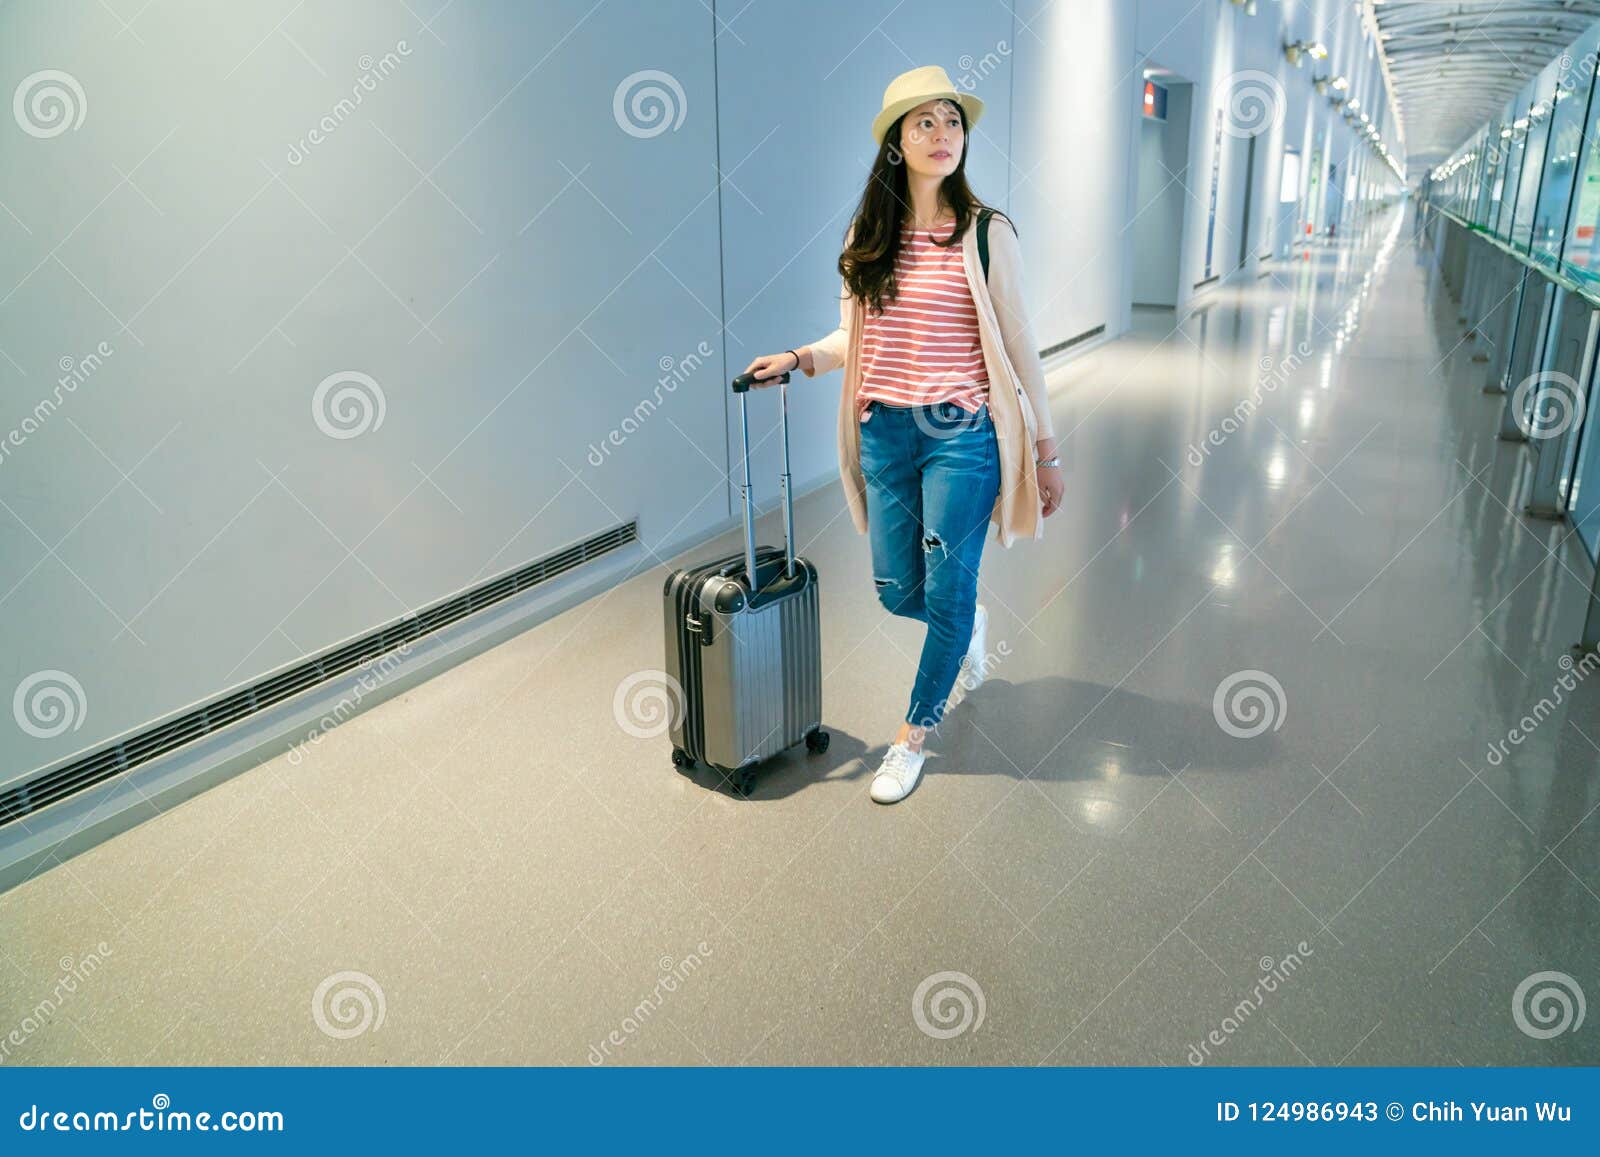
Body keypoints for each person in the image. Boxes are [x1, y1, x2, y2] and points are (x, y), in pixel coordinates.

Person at [742, 65, 1063, 804]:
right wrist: (799, 358)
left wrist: (1047, 450)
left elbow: (1021, 348)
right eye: (925, 122)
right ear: (896, 141)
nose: (943, 134)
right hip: (884, 432)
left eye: (953, 121)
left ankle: (912, 736)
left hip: (962, 435)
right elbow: (852, 337)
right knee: (896, 590)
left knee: (945, 588)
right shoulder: (869, 235)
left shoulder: (986, 233)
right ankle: (967, 622)